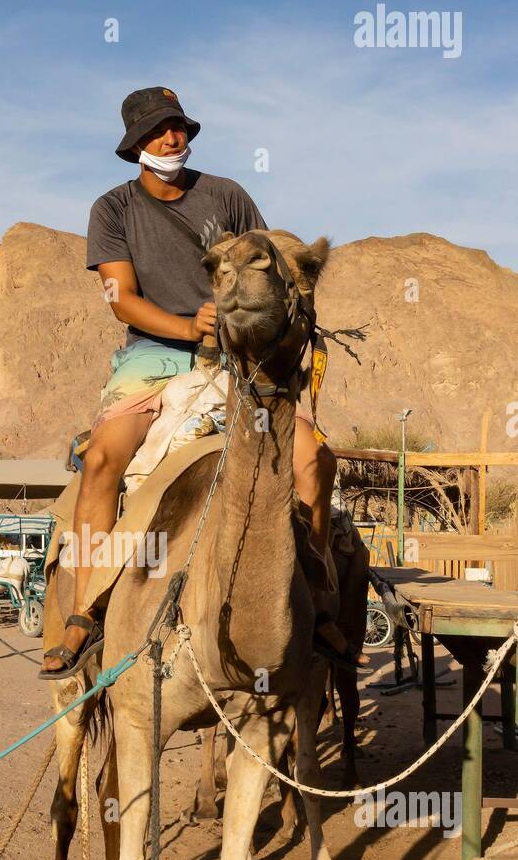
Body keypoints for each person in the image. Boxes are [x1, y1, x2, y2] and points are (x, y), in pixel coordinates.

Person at [40, 86, 351, 679]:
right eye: (159, 130)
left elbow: (273, 272)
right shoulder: (113, 210)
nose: (172, 138)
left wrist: (241, 327)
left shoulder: (228, 196)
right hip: (153, 356)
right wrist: (187, 325)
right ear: (136, 144)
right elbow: (122, 301)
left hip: (235, 357)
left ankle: (319, 597)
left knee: (313, 460)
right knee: (104, 458)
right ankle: (85, 611)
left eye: (179, 127)